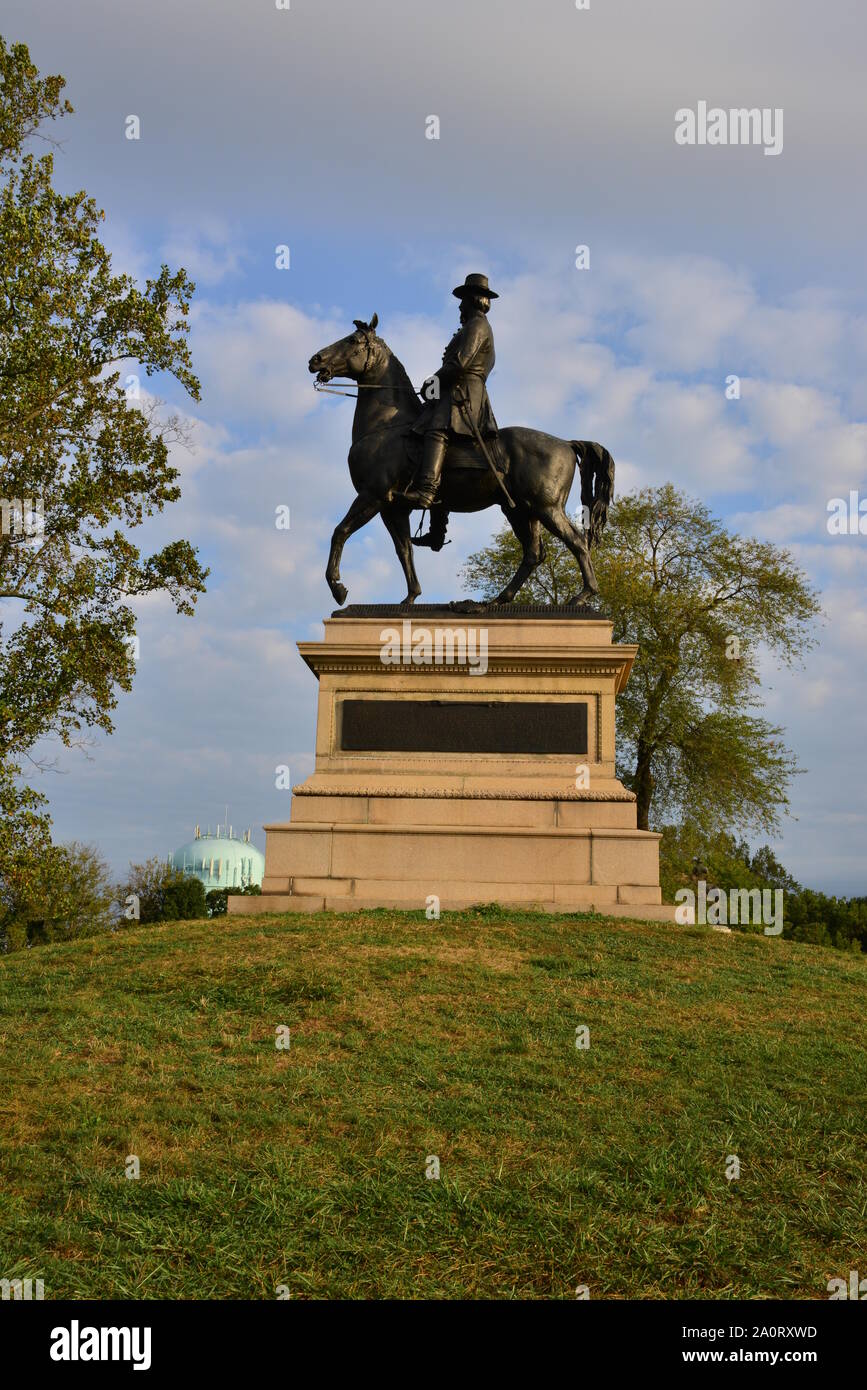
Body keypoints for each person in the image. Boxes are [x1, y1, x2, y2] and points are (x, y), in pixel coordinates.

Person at [402, 273, 501, 508]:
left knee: (436, 430)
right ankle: (437, 526)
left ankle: (426, 490)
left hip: (464, 393)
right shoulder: (472, 326)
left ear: (473, 300)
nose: (460, 305)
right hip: (458, 390)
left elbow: (459, 364)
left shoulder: (477, 326)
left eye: (463, 300)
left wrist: (432, 382)